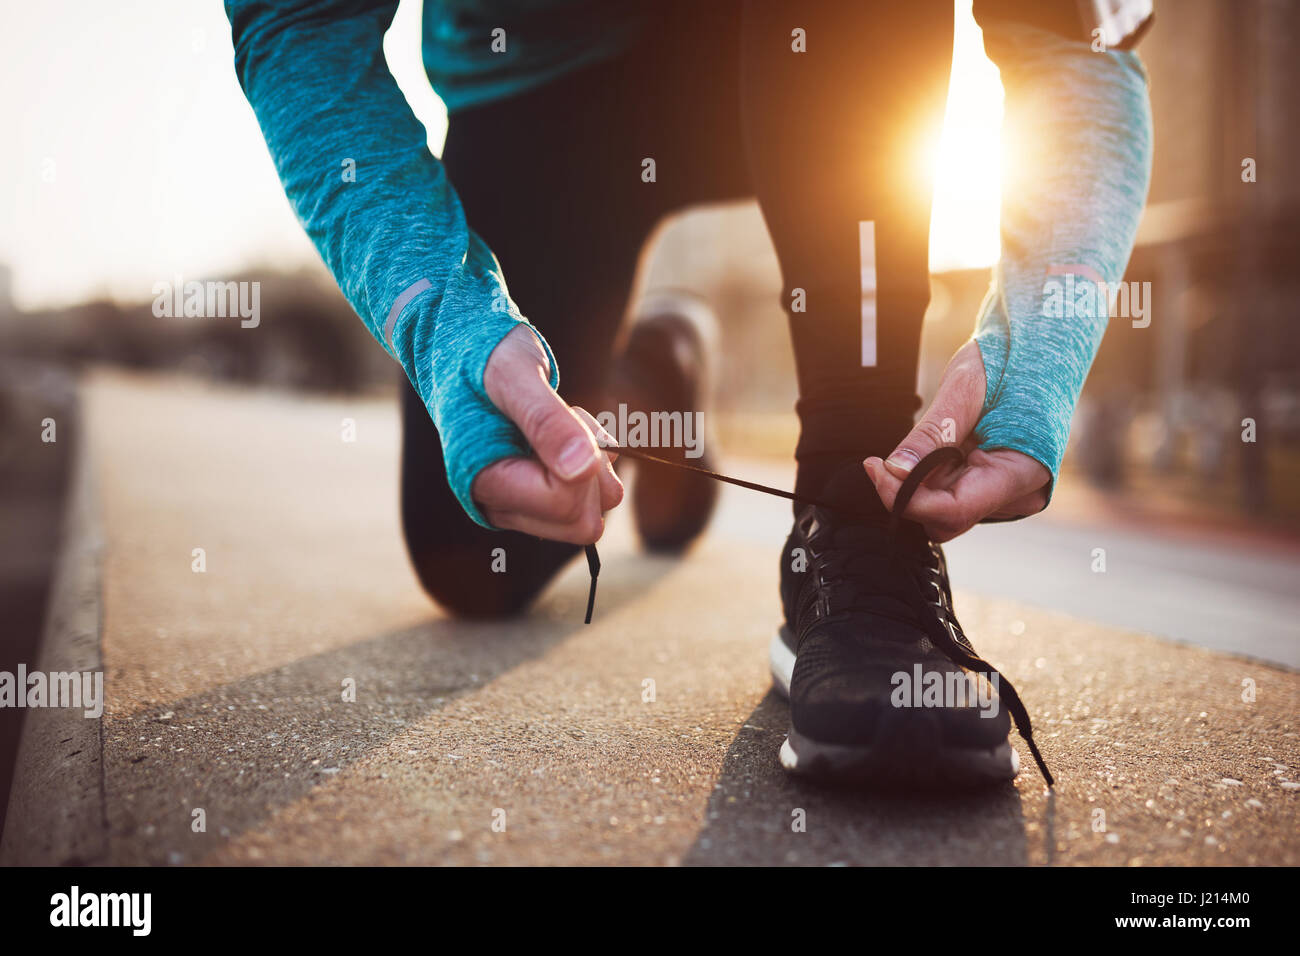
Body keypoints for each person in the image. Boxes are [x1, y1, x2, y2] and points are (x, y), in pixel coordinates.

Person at [225, 0, 1153, 786]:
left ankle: (856, 525)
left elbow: (1082, 37)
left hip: (818, 46)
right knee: (474, 554)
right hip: (539, 79)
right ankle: (643, 384)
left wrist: (1037, 355)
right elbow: (297, 28)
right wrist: (453, 332)